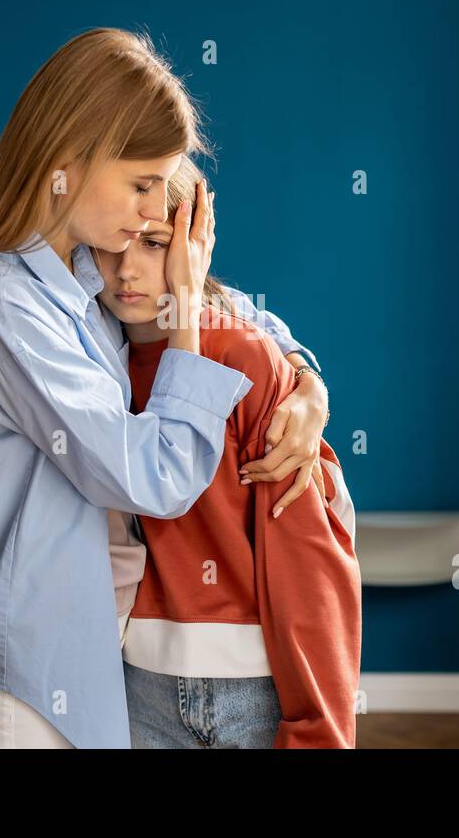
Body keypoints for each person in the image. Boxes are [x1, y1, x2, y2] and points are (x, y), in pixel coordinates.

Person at [0, 28, 330, 748]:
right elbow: (155, 477)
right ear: (70, 164)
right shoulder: (3, 303)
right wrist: (188, 317)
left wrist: (306, 380)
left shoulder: (79, 286)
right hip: (17, 700)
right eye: (141, 183)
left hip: (75, 686)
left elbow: (243, 315)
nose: (154, 205)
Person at [96, 156, 361, 748]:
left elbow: (307, 554)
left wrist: (320, 725)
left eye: (156, 243)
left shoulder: (244, 355)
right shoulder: (92, 365)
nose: (127, 270)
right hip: (138, 684)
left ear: (195, 244)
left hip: (256, 691)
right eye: (112, 244)